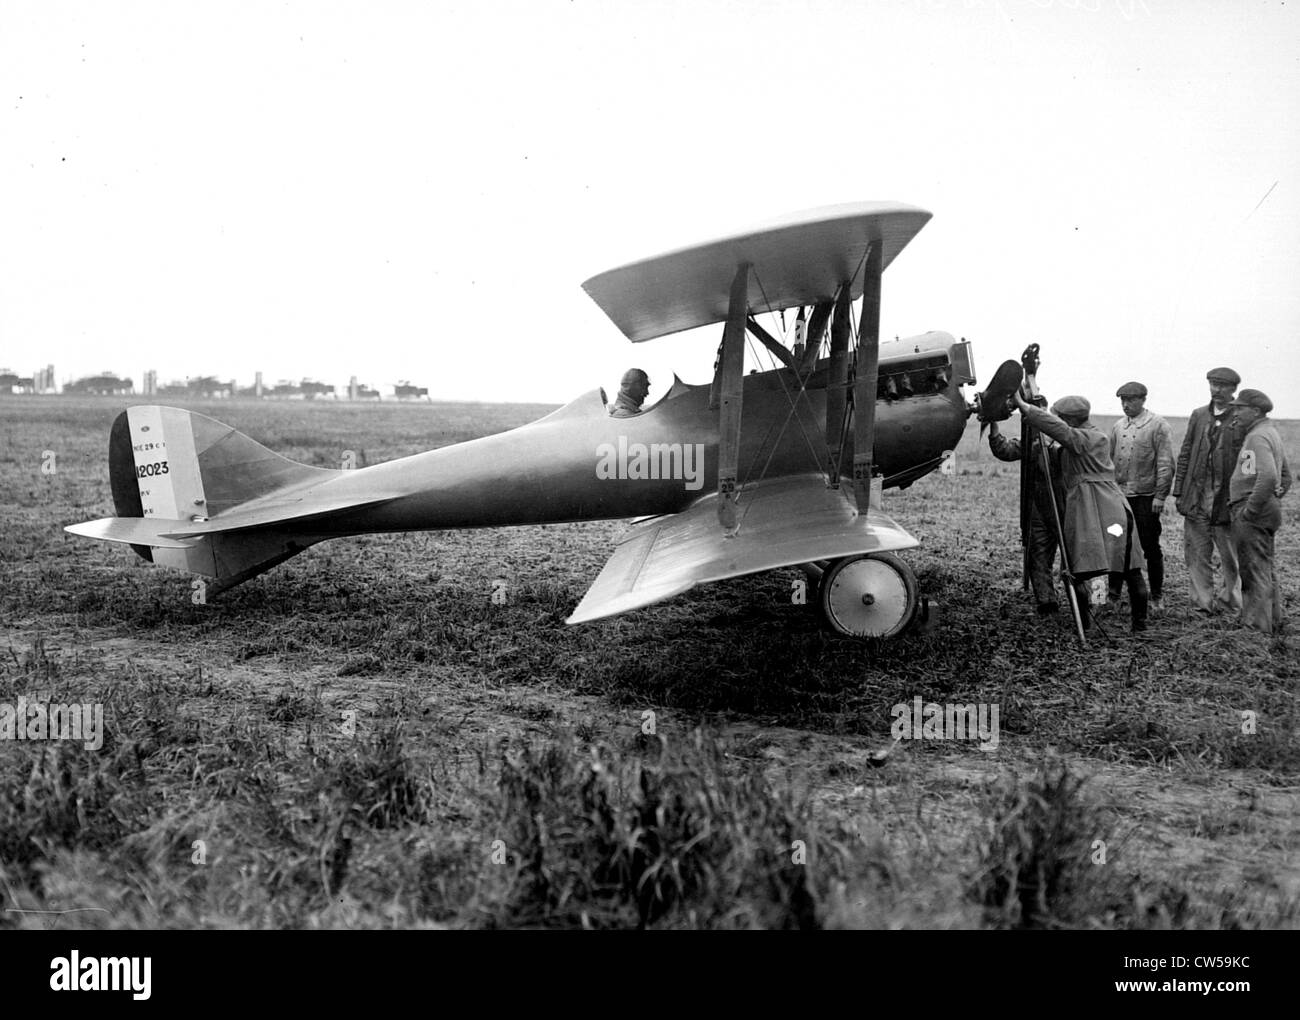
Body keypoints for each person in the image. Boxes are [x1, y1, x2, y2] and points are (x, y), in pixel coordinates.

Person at [1013, 391, 1149, 632]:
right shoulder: (1089, 436)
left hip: (1094, 508)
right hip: (1115, 508)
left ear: (1071, 420)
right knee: (1125, 566)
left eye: (1061, 418)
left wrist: (1024, 406)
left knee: (1084, 566)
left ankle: (1086, 625)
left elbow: (1059, 431)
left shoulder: (1088, 438)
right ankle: (1132, 623)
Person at [1173, 367, 1243, 615]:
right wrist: (1179, 490)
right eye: (1213, 384)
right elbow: (1185, 453)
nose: (1216, 390)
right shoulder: (1199, 415)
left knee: (1231, 558)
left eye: (1222, 385)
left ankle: (1231, 604)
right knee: (1196, 554)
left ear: (1234, 389)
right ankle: (1201, 604)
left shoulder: (1242, 418)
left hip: (1227, 502)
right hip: (1197, 499)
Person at [1227, 389, 1292, 633]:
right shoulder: (1269, 432)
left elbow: (1270, 476)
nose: (1236, 412)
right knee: (1265, 567)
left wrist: (1250, 509)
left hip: (1253, 512)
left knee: (1253, 570)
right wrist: (1273, 500)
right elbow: (1285, 477)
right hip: (1266, 510)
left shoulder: (1257, 437)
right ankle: (1271, 620)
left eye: (1240, 408)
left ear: (1255, 411)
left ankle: (1256, 626)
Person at [988, 410, 1065, 615]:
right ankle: (1047, 603)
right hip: (1040, 509)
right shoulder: (1033, 442)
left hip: (1068, 509)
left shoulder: (1072, 439)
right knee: (1037, 555)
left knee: (1079, 561)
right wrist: (993, 423)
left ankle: (1094, 601)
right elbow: (1004, 450)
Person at [1108, 382, 1174, 611]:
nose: (1126, 405)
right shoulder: (1118, 426)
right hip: (1120, 498)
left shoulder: (1157, 425)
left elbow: (1166, 463)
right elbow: (1109, 461)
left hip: (1146, 498)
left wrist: (1160, 496)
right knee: (1117, 543)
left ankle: (1156, 596)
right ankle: (1113, 593)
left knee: (1150, 546)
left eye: (1131, 400)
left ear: (1143, 400)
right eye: (1122, 400)